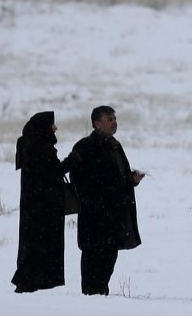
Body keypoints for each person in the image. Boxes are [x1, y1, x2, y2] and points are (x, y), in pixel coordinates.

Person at [67, 105, 144, 296]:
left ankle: (102, 297)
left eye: (114, 118)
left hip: (115, 214)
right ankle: (90, 299)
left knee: (109, 255)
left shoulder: (115, 146)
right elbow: (78, 180)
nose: (114, 122)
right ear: (97, 123)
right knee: (93, 257)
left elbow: (121, 176)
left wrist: (131, 181)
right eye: (109, 119)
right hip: (93, 216)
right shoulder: (84, 147)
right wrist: (97, 199)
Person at [11, 110, 71, 293]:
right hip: (41, 211)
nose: (55, 129)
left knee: (37, 249)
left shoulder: (34, 145)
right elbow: (53, 172)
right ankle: (27, 282)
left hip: (39, 210)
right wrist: (71, 161)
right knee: (38, 250)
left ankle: (29, 281)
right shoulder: (38, 148)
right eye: (52, 126)